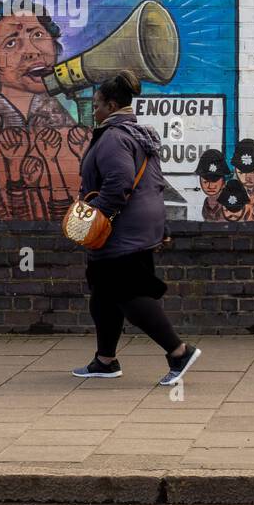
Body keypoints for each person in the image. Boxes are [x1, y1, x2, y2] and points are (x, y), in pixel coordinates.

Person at [72, 71, 203, 386]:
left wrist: (95, 217)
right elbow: (153, 182)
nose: (95, 110)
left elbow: (119, 182)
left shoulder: (115, 137)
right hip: (140, 223)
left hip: (120, 227)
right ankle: (105, 360)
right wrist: (161, 224)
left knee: (127, 293)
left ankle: (178, 351)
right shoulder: (137, 133)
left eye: (98, 104)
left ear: (112, 104)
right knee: (104, 291)